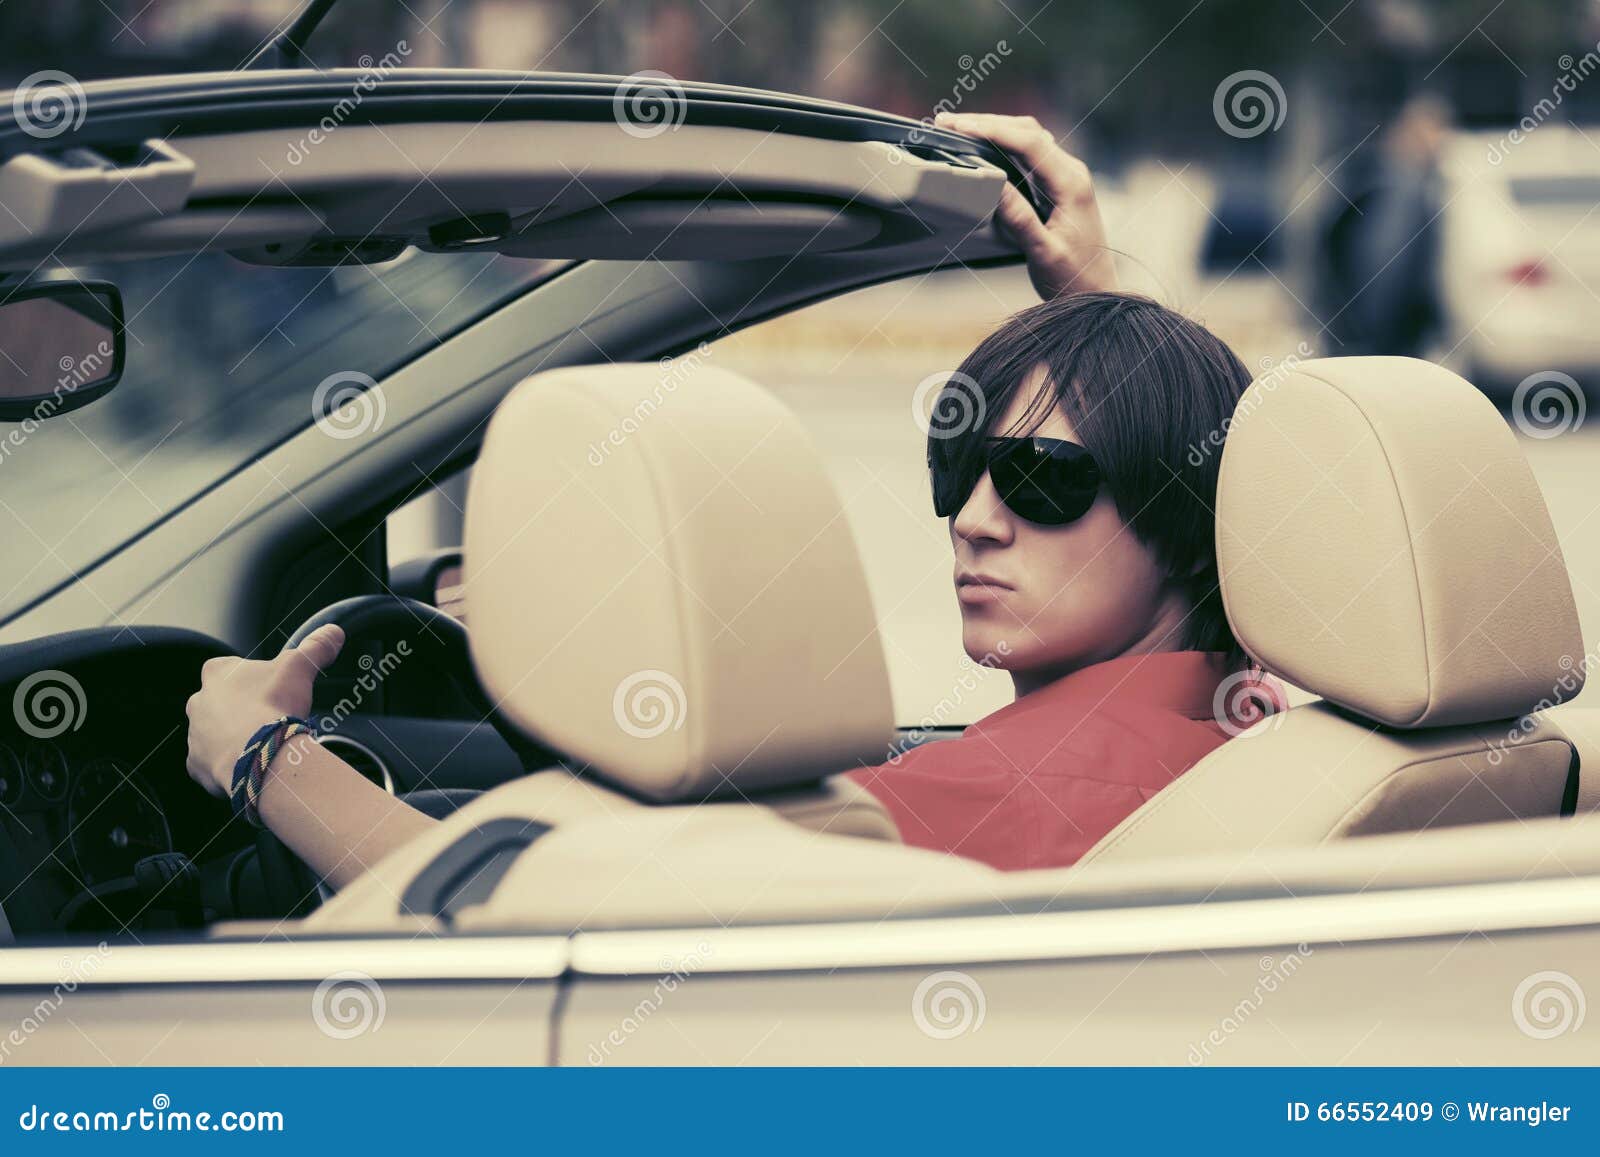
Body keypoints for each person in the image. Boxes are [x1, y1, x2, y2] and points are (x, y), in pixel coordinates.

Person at [184, 112, 1279, 886]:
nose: (977, 517)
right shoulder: (1265, 722)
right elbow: (1254, 511)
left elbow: (528, 932)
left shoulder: (1001, 791)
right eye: (958, 470)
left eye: (1046, 477)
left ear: (1183, 519)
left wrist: (265, 755)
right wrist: (1101, 318)